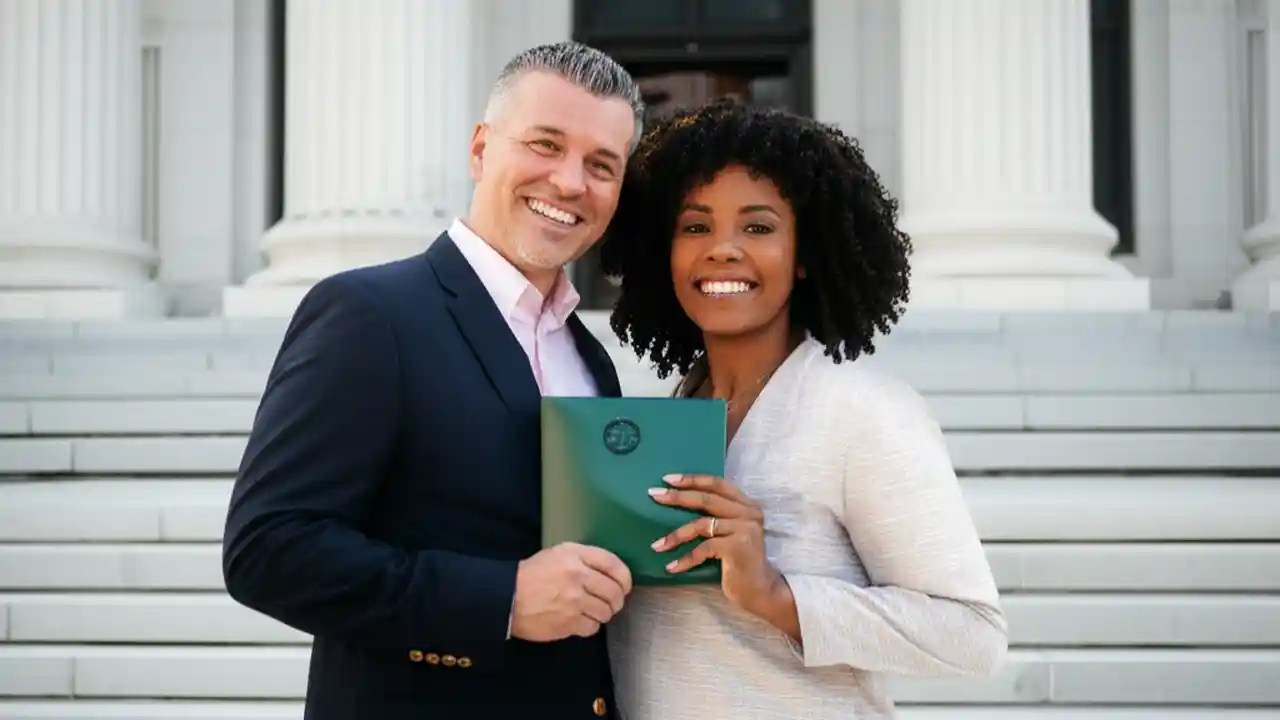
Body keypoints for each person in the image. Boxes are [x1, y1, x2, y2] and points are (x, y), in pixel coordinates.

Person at [222, 42, 644, 719]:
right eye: (545, 144)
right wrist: (503, 600)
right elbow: (268, 550)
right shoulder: (369, 314)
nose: (570, 182)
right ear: (481, 149)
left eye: (602, 165)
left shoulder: (589, 356)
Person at [599, 100, 1008, 719]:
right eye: (696, 227)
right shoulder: (671, 417)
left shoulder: (862, 412)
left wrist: (776, 595)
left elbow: (973, 634)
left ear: (804, 254)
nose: (723, 249)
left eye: (758, 228)